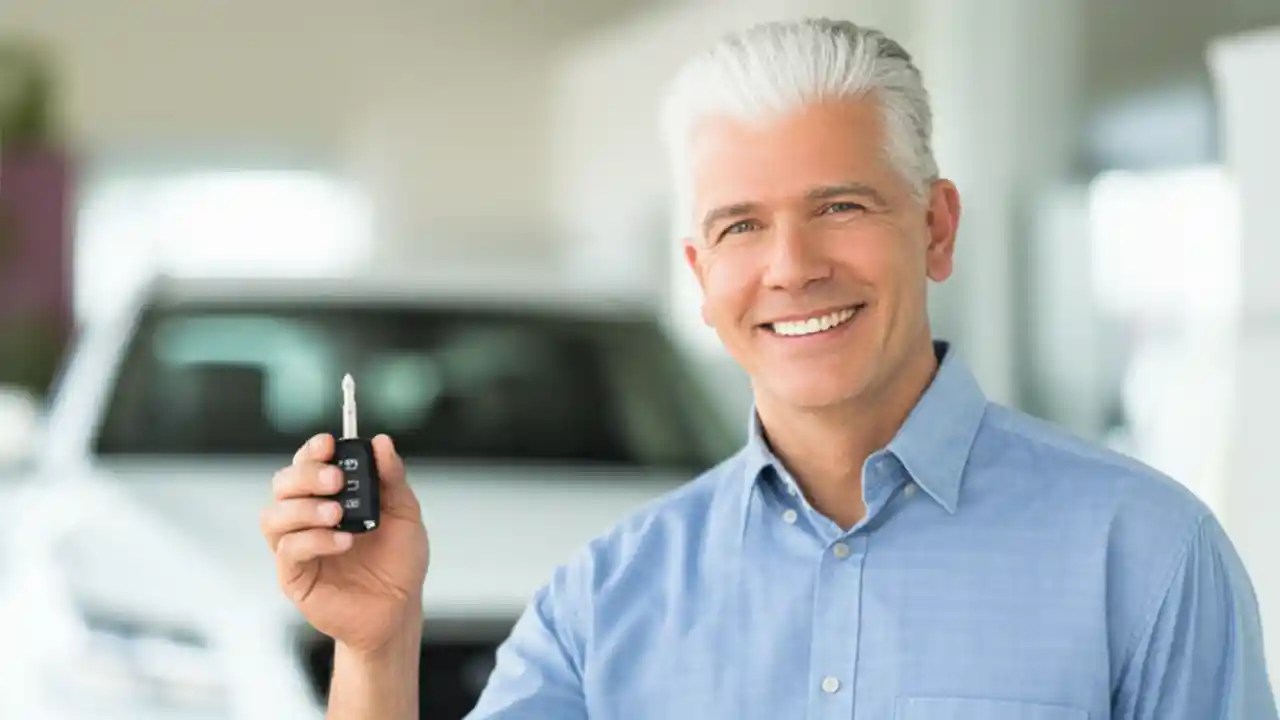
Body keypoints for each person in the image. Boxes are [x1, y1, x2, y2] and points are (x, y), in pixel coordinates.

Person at [259, 18, 1277, 719]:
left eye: (839, 206)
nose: (791, 267)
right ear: (701, 274)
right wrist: (377, 649)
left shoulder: (1145, 556)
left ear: (936, 227)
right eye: (740, 225)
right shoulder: (607, 597)